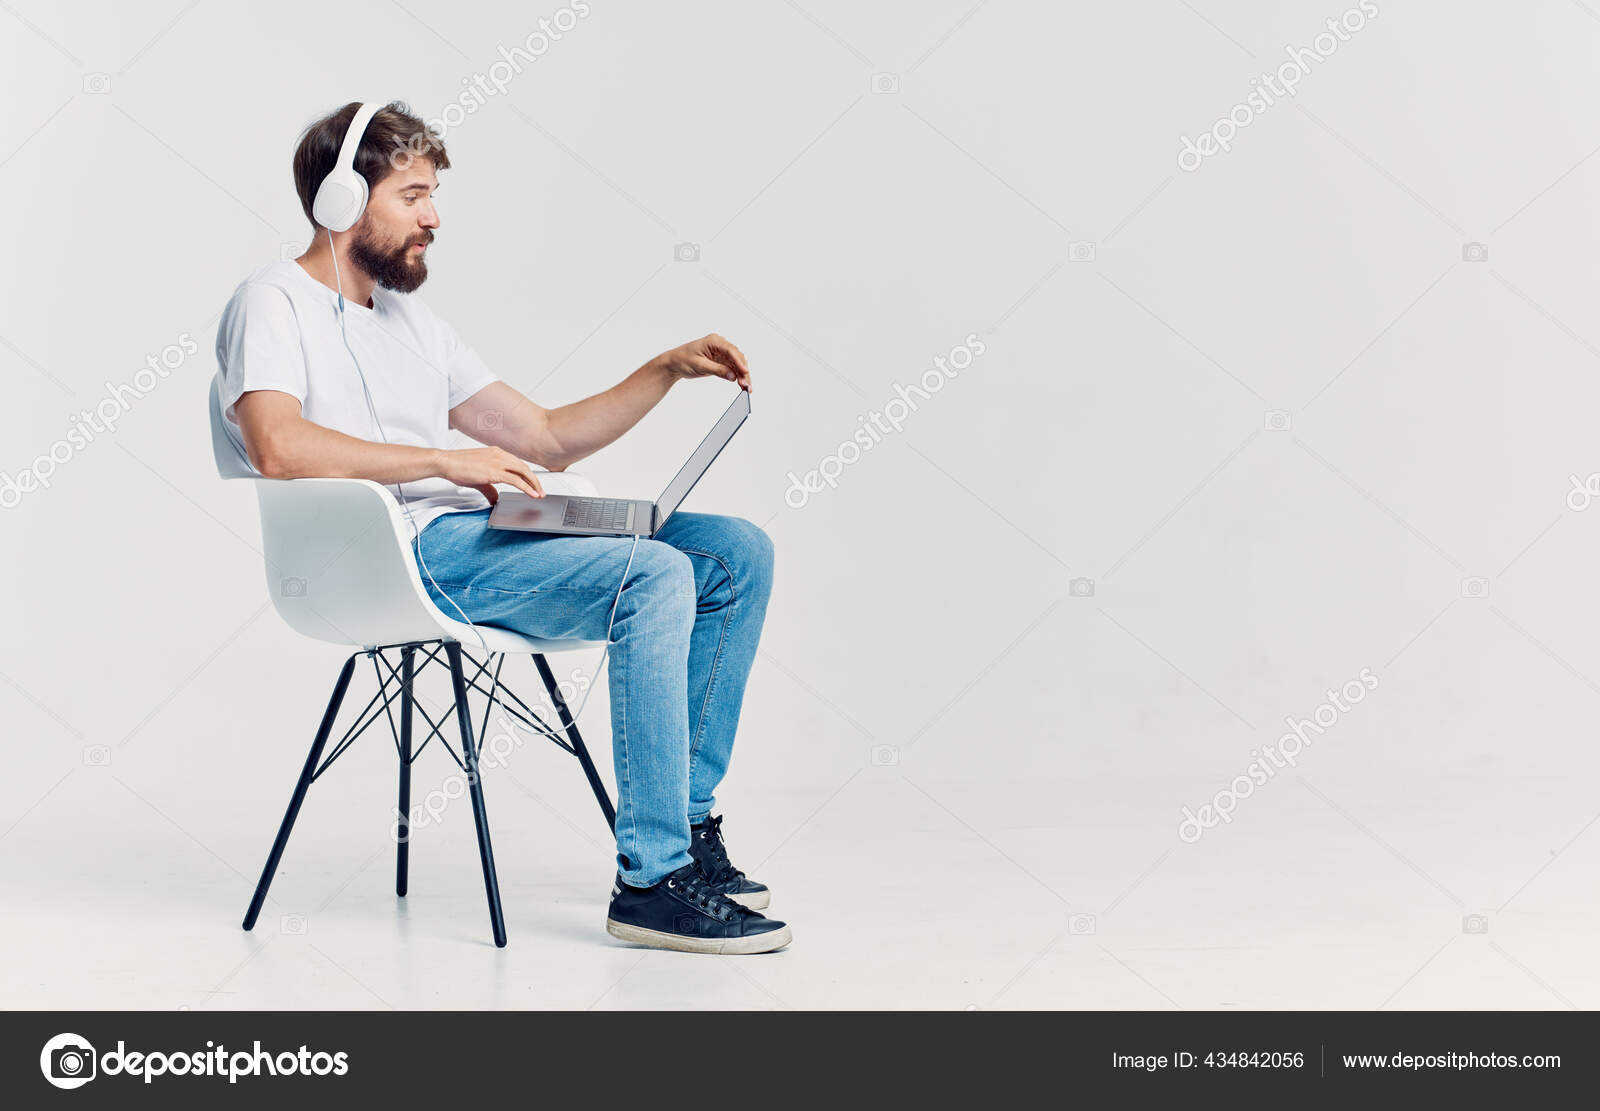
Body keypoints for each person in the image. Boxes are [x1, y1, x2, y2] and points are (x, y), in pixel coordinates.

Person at [213, 100, 788, 955]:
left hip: (475, 536)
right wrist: (444, 461)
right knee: (657, 574)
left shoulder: (413, 323)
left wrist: (664, 369)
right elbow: (276, 444)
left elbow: (547, 437)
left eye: (433, 195)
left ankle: (688, 827)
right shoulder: (271, 302)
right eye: (413, 195)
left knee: (734, 552)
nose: (433, 217)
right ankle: (650, 880)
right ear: (343, 200)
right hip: (394, 558)